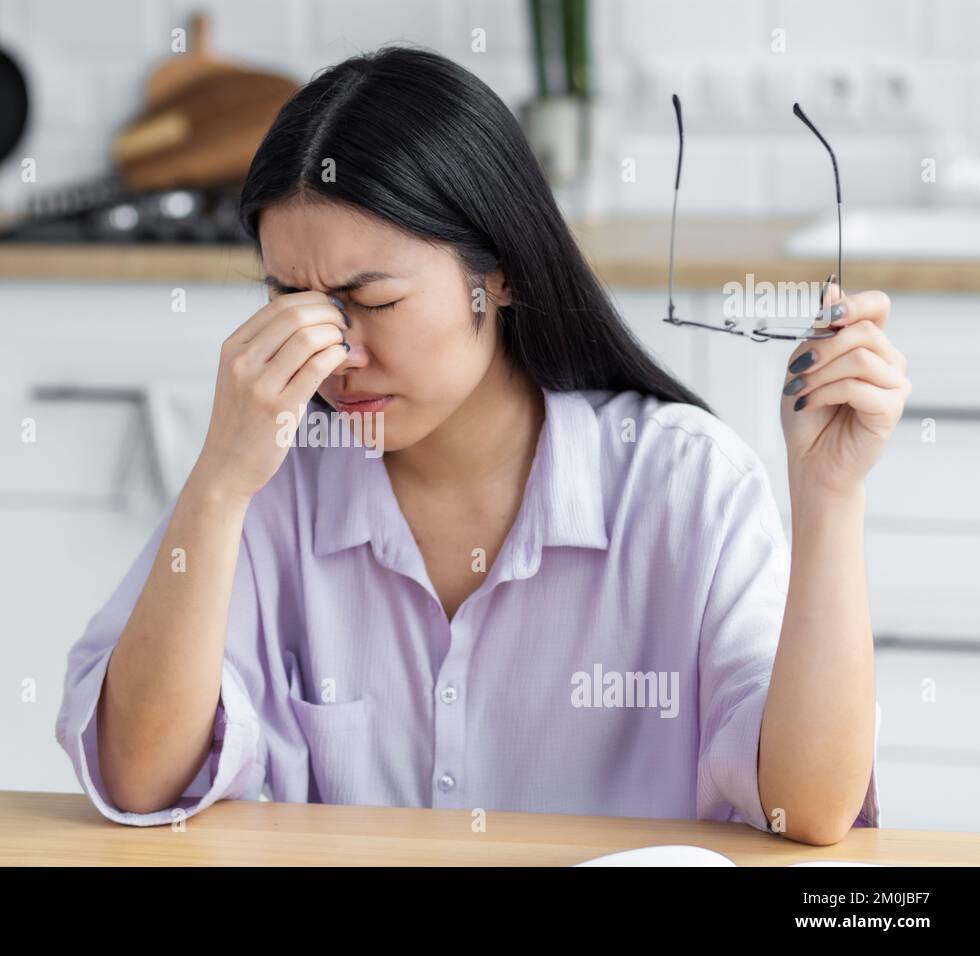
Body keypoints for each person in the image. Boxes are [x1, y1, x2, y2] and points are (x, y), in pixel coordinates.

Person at [57, 47, 908, 845]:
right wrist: (215, 488)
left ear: (496, 274)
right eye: (290, 298)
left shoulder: (684, 482)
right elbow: (141, 781)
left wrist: (829, 498)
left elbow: (810, 806)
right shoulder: (265, 480)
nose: (333, 353)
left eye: (372, 298)